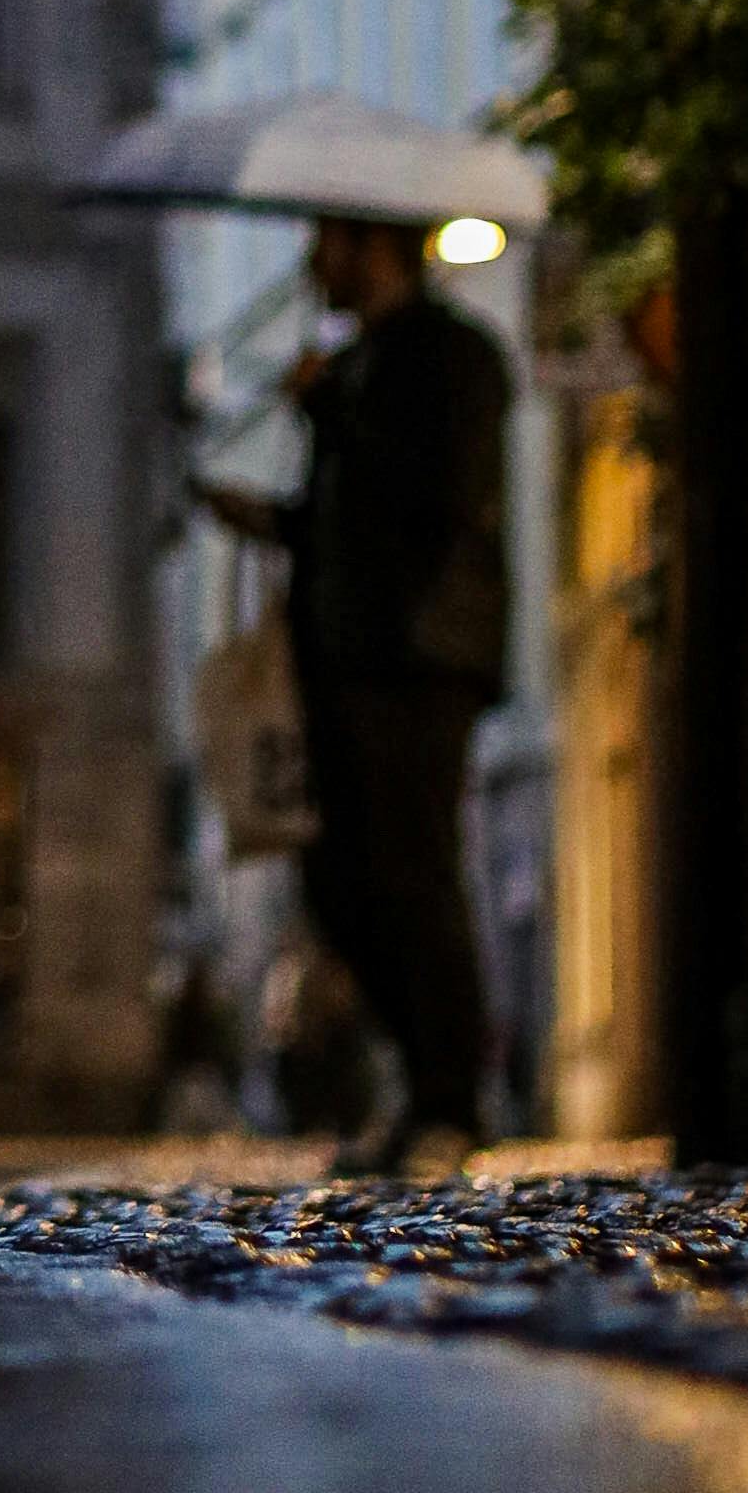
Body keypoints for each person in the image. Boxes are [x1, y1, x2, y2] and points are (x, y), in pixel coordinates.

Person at [199, 214, 513, 1169]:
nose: (309, 265)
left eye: (325, 244)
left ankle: (450, 1100)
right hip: (345, 656)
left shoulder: (451, 357)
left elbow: (436, 494)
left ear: (371, 247)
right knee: (340, 880)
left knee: (414, 869)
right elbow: (353, 518)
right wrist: (272, 519)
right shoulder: (358, 365)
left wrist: (329, 409)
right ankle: (423, 1085)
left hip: (420, 653)